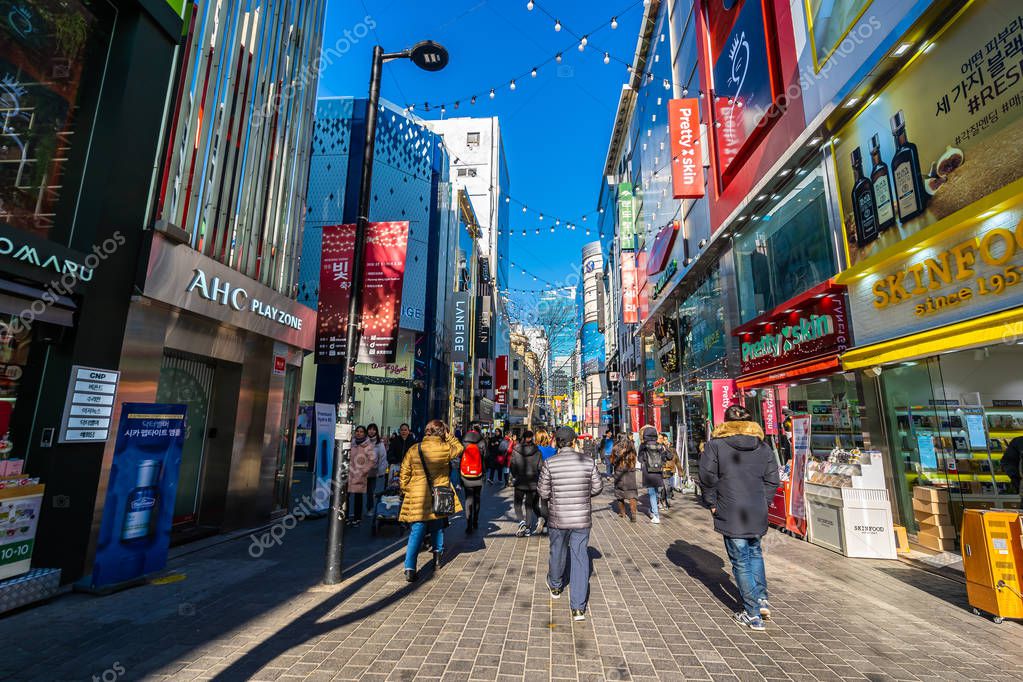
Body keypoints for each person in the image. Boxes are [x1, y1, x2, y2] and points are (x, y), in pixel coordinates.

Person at [699, 404, 781, 631]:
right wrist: (763, 501)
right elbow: (773, 479)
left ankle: (752, 613)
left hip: (730, 508)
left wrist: (713, 502)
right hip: (756, 509)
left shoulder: (715, 446)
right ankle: (762, 598)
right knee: (755, 552)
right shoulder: (763, 447)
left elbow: (706, 476)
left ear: (725, 422)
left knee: (740, 560)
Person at [538, 426, 602, 621]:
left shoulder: (550, 463)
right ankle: (578, 607)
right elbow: (597, 487)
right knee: (580, 557)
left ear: (556, 442)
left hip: (558, 517)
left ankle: (556, 586)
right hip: (581, 518)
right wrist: (583, 493)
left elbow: (542, 492)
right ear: (574, 442)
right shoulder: (588, 462)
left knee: (557, 550)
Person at [400, 419, 464, 582]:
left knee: (416, 531)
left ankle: (409, 568)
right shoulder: (445, 448)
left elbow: (404, 473)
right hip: (440, 493)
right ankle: (437, 558)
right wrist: (449, 437)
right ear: (442, 433)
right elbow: (459, 448)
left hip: (417, 495)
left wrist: (408, 489)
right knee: (438, 526)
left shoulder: (415, 448)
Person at [511, 430, 544, 536]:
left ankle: (521, 523)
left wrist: (515, 475)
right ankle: (528, 527)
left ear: (523, 437)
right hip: (533, 482)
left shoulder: (516, 450)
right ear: (532, 438)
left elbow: (512, 465)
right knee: (529, 505)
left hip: (520, 481)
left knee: (517, 504)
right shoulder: (537, 451)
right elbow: (540, 467)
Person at [638, 425, 673, 524]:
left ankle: (656, 515)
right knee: (656, 492)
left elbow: (639, 459)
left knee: (652, 493)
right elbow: (669, 457)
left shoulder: (643, 446)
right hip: (658, 472)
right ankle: (653, 510)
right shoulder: (660, 445)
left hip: (648, 472)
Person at [347, 426, 376, 527]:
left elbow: (372, 460)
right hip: (349, 474)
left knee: (358, 497)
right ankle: (345, 516)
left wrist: (364, 471)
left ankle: (357, 518)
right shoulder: (351, 444)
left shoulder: (368, 446)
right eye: (357, 431)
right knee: (346, 496)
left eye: (361, 432)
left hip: (360, 475)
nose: (359, 433)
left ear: (364, 434)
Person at [460, 429, 486, 533]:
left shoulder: (464, 442)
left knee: (468, 499)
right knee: (477, 498)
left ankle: (468, 524)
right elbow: (486, 456)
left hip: (466, 475)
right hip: (479, 475)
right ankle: (475, 520)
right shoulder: (482, 441)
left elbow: (459, 456)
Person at [611, 435, 638, 522]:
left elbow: (613, 461)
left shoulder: (616, 447)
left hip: (619, 473)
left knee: (620, 494)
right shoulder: (631, 447)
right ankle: (633, 514)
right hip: (630, 473)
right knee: (632, 494)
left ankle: (623, 513)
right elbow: (635, 459)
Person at [365, 423, 386, 513]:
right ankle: (356, 515)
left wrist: (380, 472)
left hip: (373, 471)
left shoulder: (379, 444)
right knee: (358, 492)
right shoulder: (363, 441)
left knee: (370, 491)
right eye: (370, 429)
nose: (371, 431)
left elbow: (382, 458)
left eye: (374, 429)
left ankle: (370, 508)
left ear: (376, 431)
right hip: (361, 470)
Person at [1002, 435, 1023, 500]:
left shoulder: (1018, 442)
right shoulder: (1019, 442)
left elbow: (1007, 463)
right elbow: (1008, 462)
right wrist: (1017, 481)